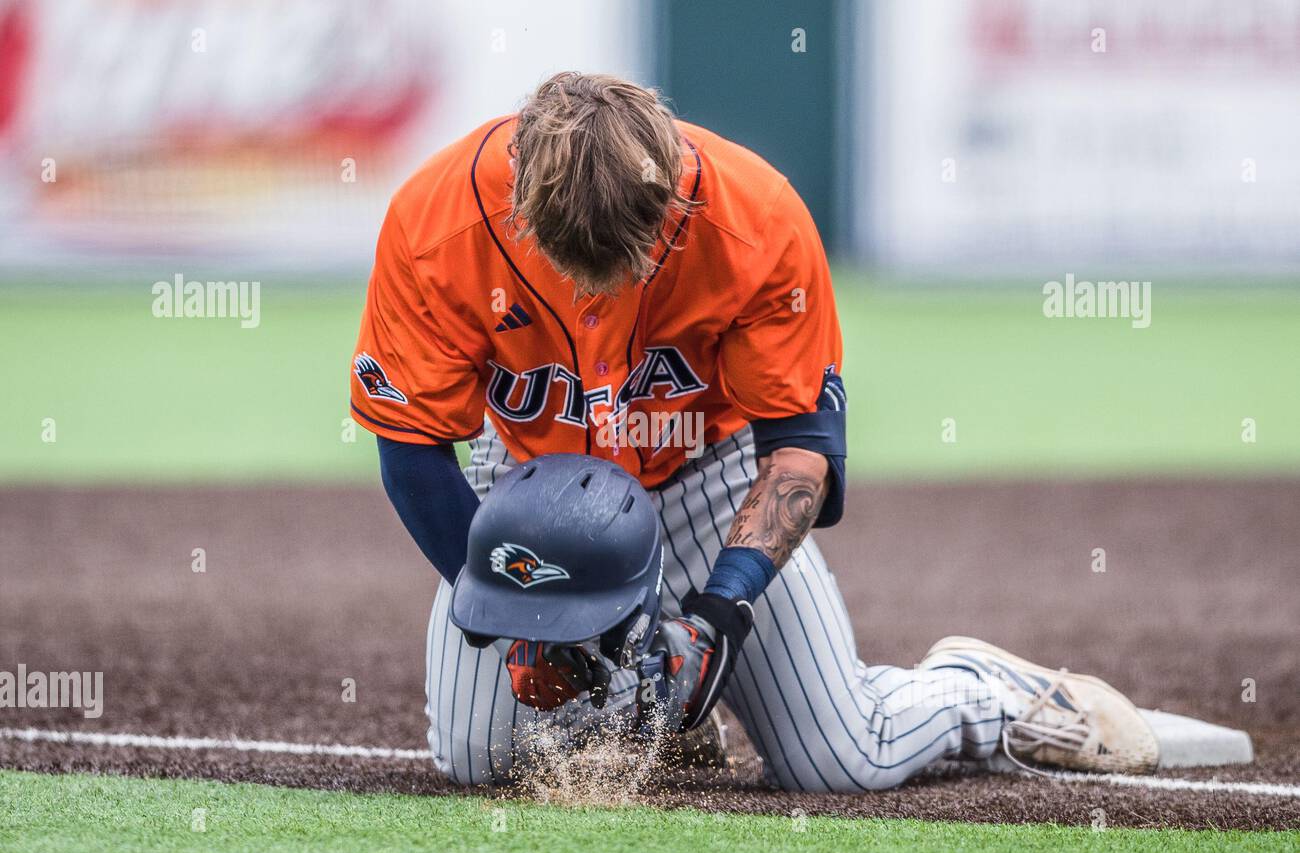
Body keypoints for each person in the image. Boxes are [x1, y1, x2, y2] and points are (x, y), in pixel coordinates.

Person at [350, 73, 1156, 790]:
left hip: (712, 467)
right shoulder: (436, 221)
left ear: (674, 197)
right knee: (481, 759)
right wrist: (508, 614)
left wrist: (719, 614)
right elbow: (412, 453)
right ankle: (663, 721)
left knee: (844, 757)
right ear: (520, 203)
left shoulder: (756, 217)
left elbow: (801, 452)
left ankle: (983, 689)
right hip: (533, 484)